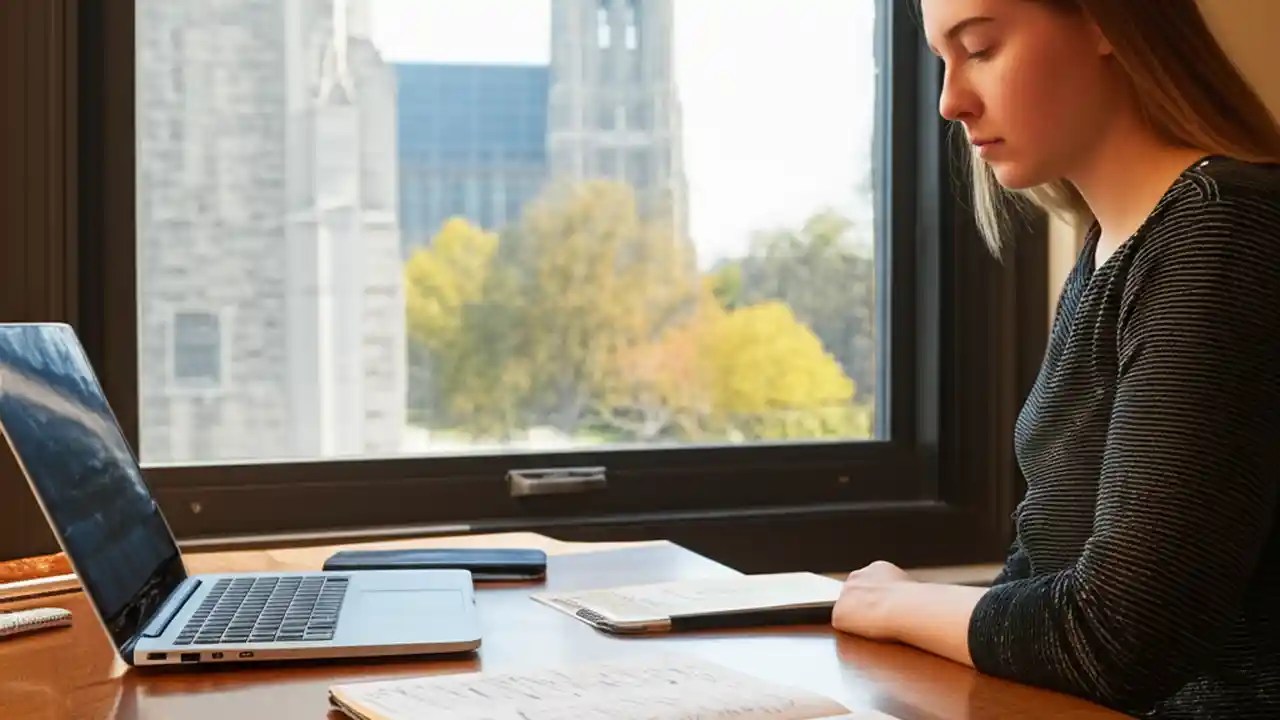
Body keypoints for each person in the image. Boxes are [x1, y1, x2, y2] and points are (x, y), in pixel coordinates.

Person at [830, 0, 1280, 717]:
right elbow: (1044, 571)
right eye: (942, 61)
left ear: (1107, 19)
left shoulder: (1219, 235)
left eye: (979, 48)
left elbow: (1121, 639)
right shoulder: (1112, 250)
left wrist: (898, 605)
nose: (950, 102)